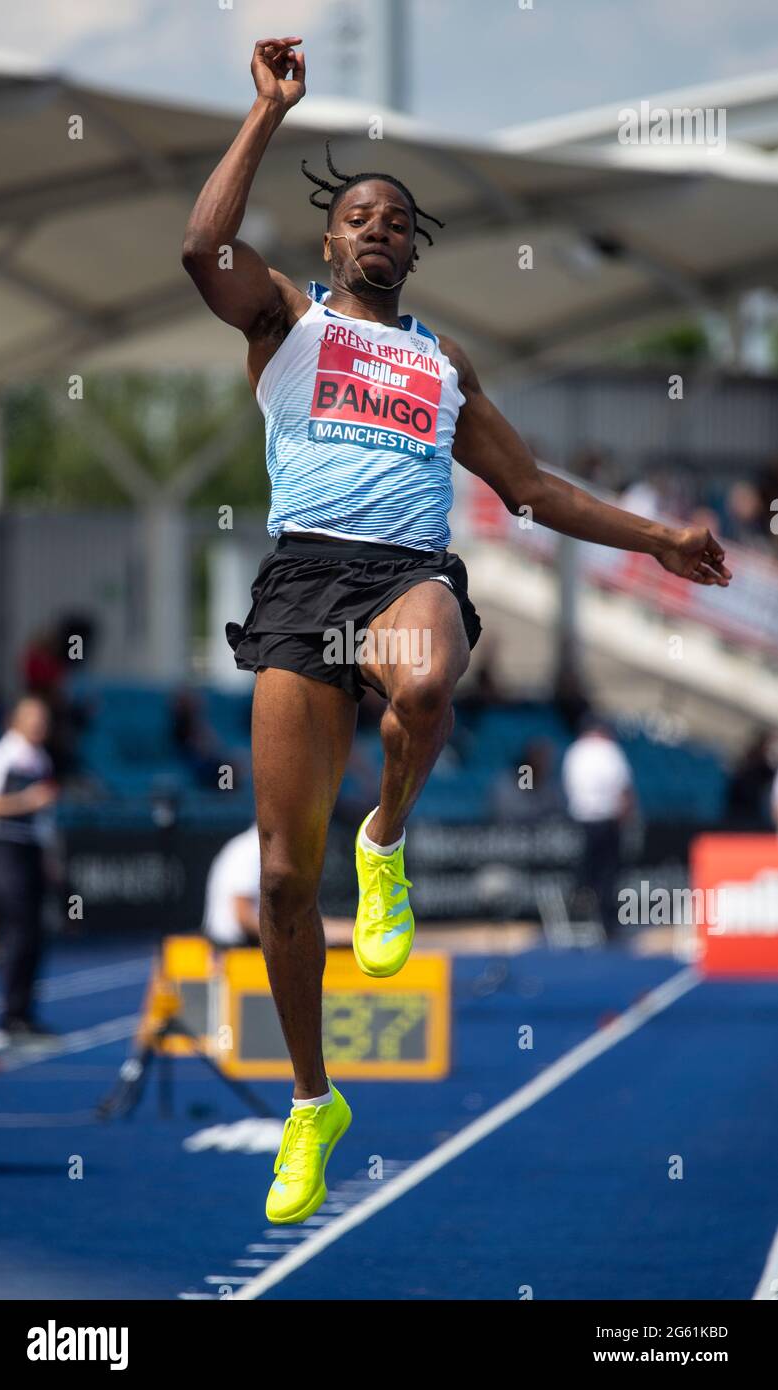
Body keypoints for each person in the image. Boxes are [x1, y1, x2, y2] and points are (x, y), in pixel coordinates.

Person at [181, 36, 732, 1225]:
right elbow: (200, 248)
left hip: (406, 576)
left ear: (411, 247)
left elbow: (534, 491)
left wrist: (662, 540)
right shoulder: (285, 317)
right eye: (360, 214)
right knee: (281, 879)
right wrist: (268, 112)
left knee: (423, 686)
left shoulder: (441, 360)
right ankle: (312, 1100)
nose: (377, 226)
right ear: (332, 241)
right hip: (300, 587)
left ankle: (384, 841)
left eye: (396, 218)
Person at [0, 696, 58, 1041]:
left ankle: (24, 1013)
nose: (40, 725)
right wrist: (27, 801)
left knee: (35, 933)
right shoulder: (2, 755)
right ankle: (8, 1014)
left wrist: (49, 856)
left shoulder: (40, 760)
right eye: (33, 718)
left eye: (44, 718)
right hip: (3, 849)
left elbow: (44, 819)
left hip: (30, 849)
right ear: (17, 720)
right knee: (16, 931)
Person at [561, 716, 635, 942]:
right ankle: (606, 925)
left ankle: (573, 919)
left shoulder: (574, 751)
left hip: (581, 820)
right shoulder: (609, 750)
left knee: (585, 871)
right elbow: (623, 789)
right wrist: (626, 818)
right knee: (607, 875)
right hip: (606, 820)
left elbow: (568, 786)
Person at [202, 824, 261, 948]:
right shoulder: (252, 850)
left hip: (234, 948)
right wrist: (286, 940)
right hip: (233, 953)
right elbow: (243, 915)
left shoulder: (249, 845)